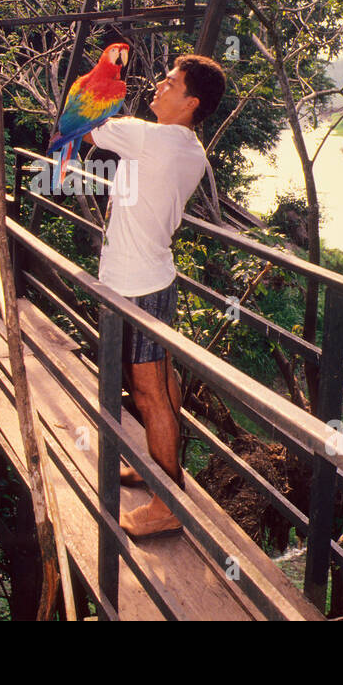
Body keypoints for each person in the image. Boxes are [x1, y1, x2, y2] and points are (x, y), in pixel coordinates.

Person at [83, 54, 225, 538]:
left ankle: (167, 502)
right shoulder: (190, 148)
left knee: (149, 392)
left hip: (137, 283)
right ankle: (155, 471)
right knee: (157, 384)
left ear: (191, 102)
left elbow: (84, 123)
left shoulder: (149, 137)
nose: (158, 86)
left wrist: (99, 80)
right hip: (152, 277)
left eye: (170, 83)